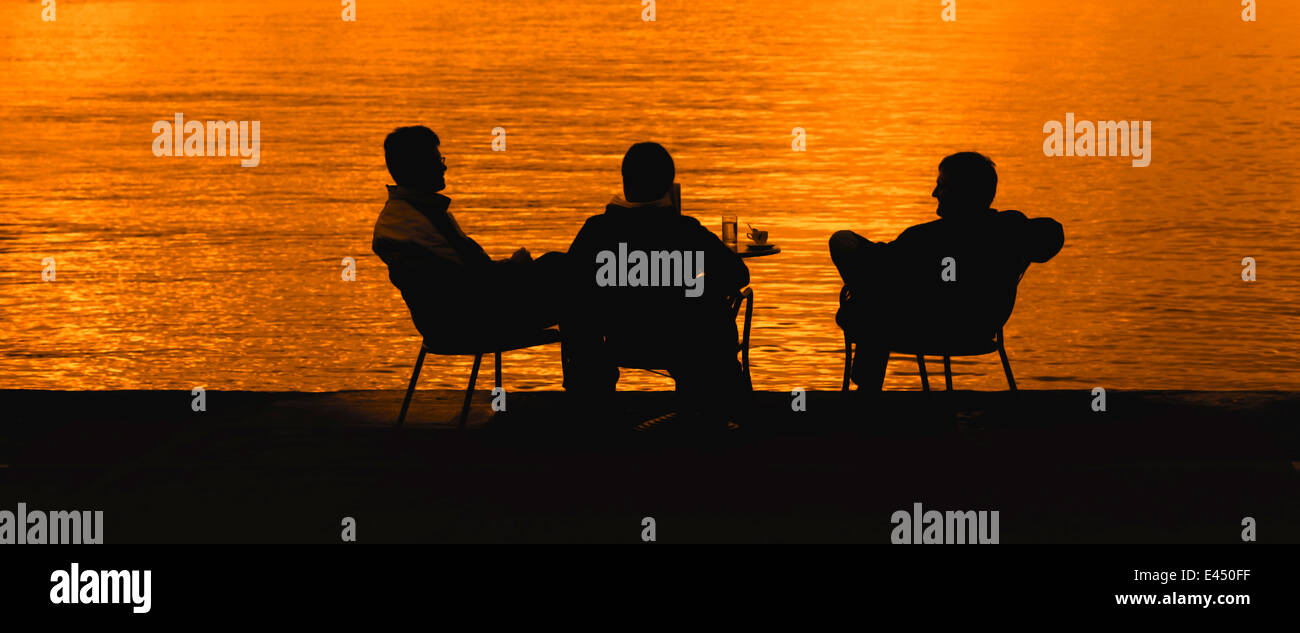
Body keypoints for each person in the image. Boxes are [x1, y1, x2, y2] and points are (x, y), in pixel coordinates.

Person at [829, 152, 1064, 389]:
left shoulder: (923, 238)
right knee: (877, 296)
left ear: (961, 192)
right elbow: (1052, 234)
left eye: (941, 186)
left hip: (928, 326)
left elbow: (880, 265)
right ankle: (865, 308)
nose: (933, 193)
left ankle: (867, 392)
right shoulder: (1009, 228)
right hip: (980, 326)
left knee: (846, 249)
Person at [563, 142, 750, 425]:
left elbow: (571, 284)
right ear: (668, 186)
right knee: (712, 308)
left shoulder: (597, 230)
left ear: (625, 182)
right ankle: (714, 410)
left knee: (574, 306)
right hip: (684, 345)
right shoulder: (687, 231)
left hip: (618, 343)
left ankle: (589, 406)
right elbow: (737, 275)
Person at [372, 125, 565, 345]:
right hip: (472, 323)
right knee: (569, 277)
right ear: (418, 168)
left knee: (561, 269)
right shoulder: (424, 220)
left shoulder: (396, 218)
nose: (443, 168)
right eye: (437, 161)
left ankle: (589, 371)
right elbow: (479, 276)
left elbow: (462, 275)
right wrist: (514, 266)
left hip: (439, 323)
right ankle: (591, 372)